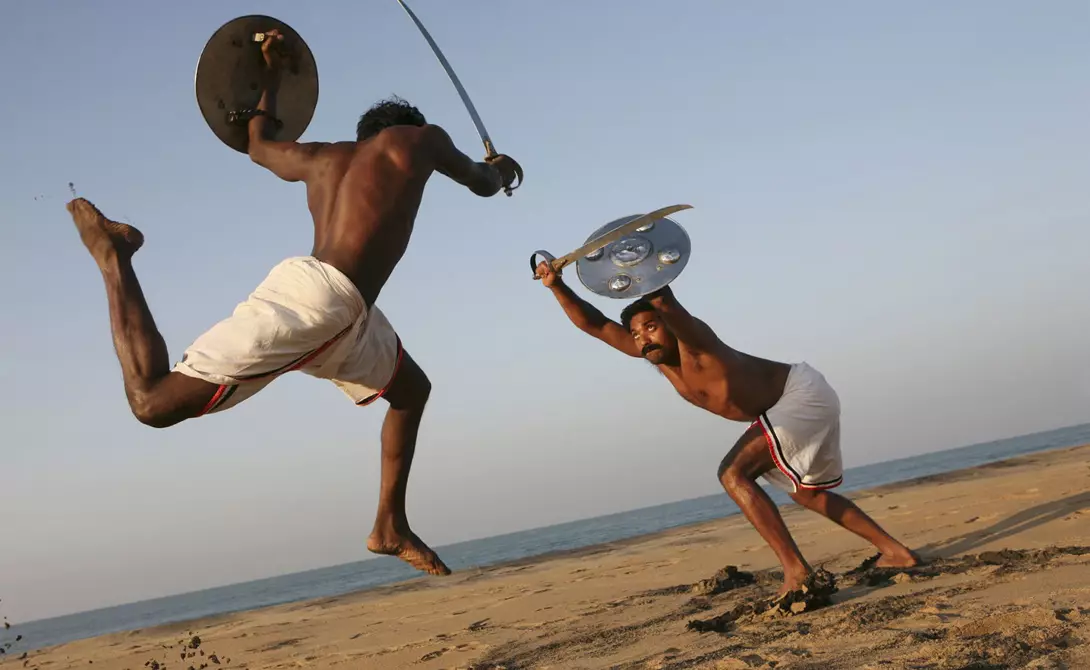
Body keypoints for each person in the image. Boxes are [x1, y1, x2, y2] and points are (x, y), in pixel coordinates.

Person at [66, 29, 520, 577]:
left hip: (346, 314)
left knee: (411, 390)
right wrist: (500, 168)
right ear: (409, 126)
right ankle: (115, 256)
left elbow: (257, 143)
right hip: (318, 304)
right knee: (151, 402)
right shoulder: (418, 140)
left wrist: (273, 74)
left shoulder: (323, 158)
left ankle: (389, 526)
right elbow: (481, 182)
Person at [533, 260, 920, 596]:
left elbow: (666, 302)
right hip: (783, 408)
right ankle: (895, 553)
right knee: (808, 495)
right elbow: (597, 325)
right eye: (636, 333)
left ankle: (797, 572)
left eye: (650, 327)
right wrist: (557, 286)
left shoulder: (696, 342)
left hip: (798, 395)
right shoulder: (655, 355)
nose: (643, 338)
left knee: (733, 474)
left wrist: (640, 271)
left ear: (667, 323)